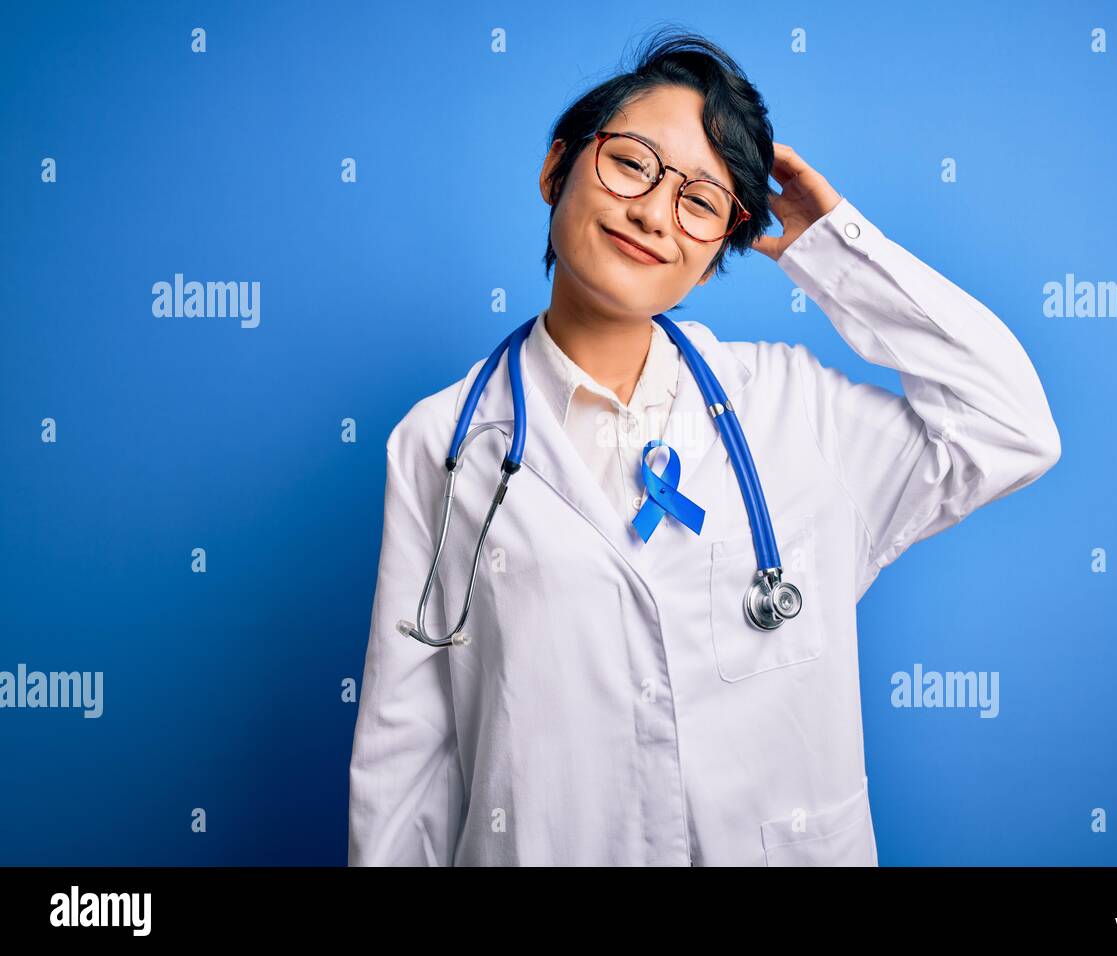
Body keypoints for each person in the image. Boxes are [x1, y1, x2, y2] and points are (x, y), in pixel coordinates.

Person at [348, 28, 1060, 866]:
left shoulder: (796, 411)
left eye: (699, 201)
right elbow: (409, 756)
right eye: (631, 164)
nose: (653, 212)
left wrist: (834, 250)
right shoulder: (443, 442)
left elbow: (1012, 426)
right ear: (556, 169)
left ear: (724, 243)